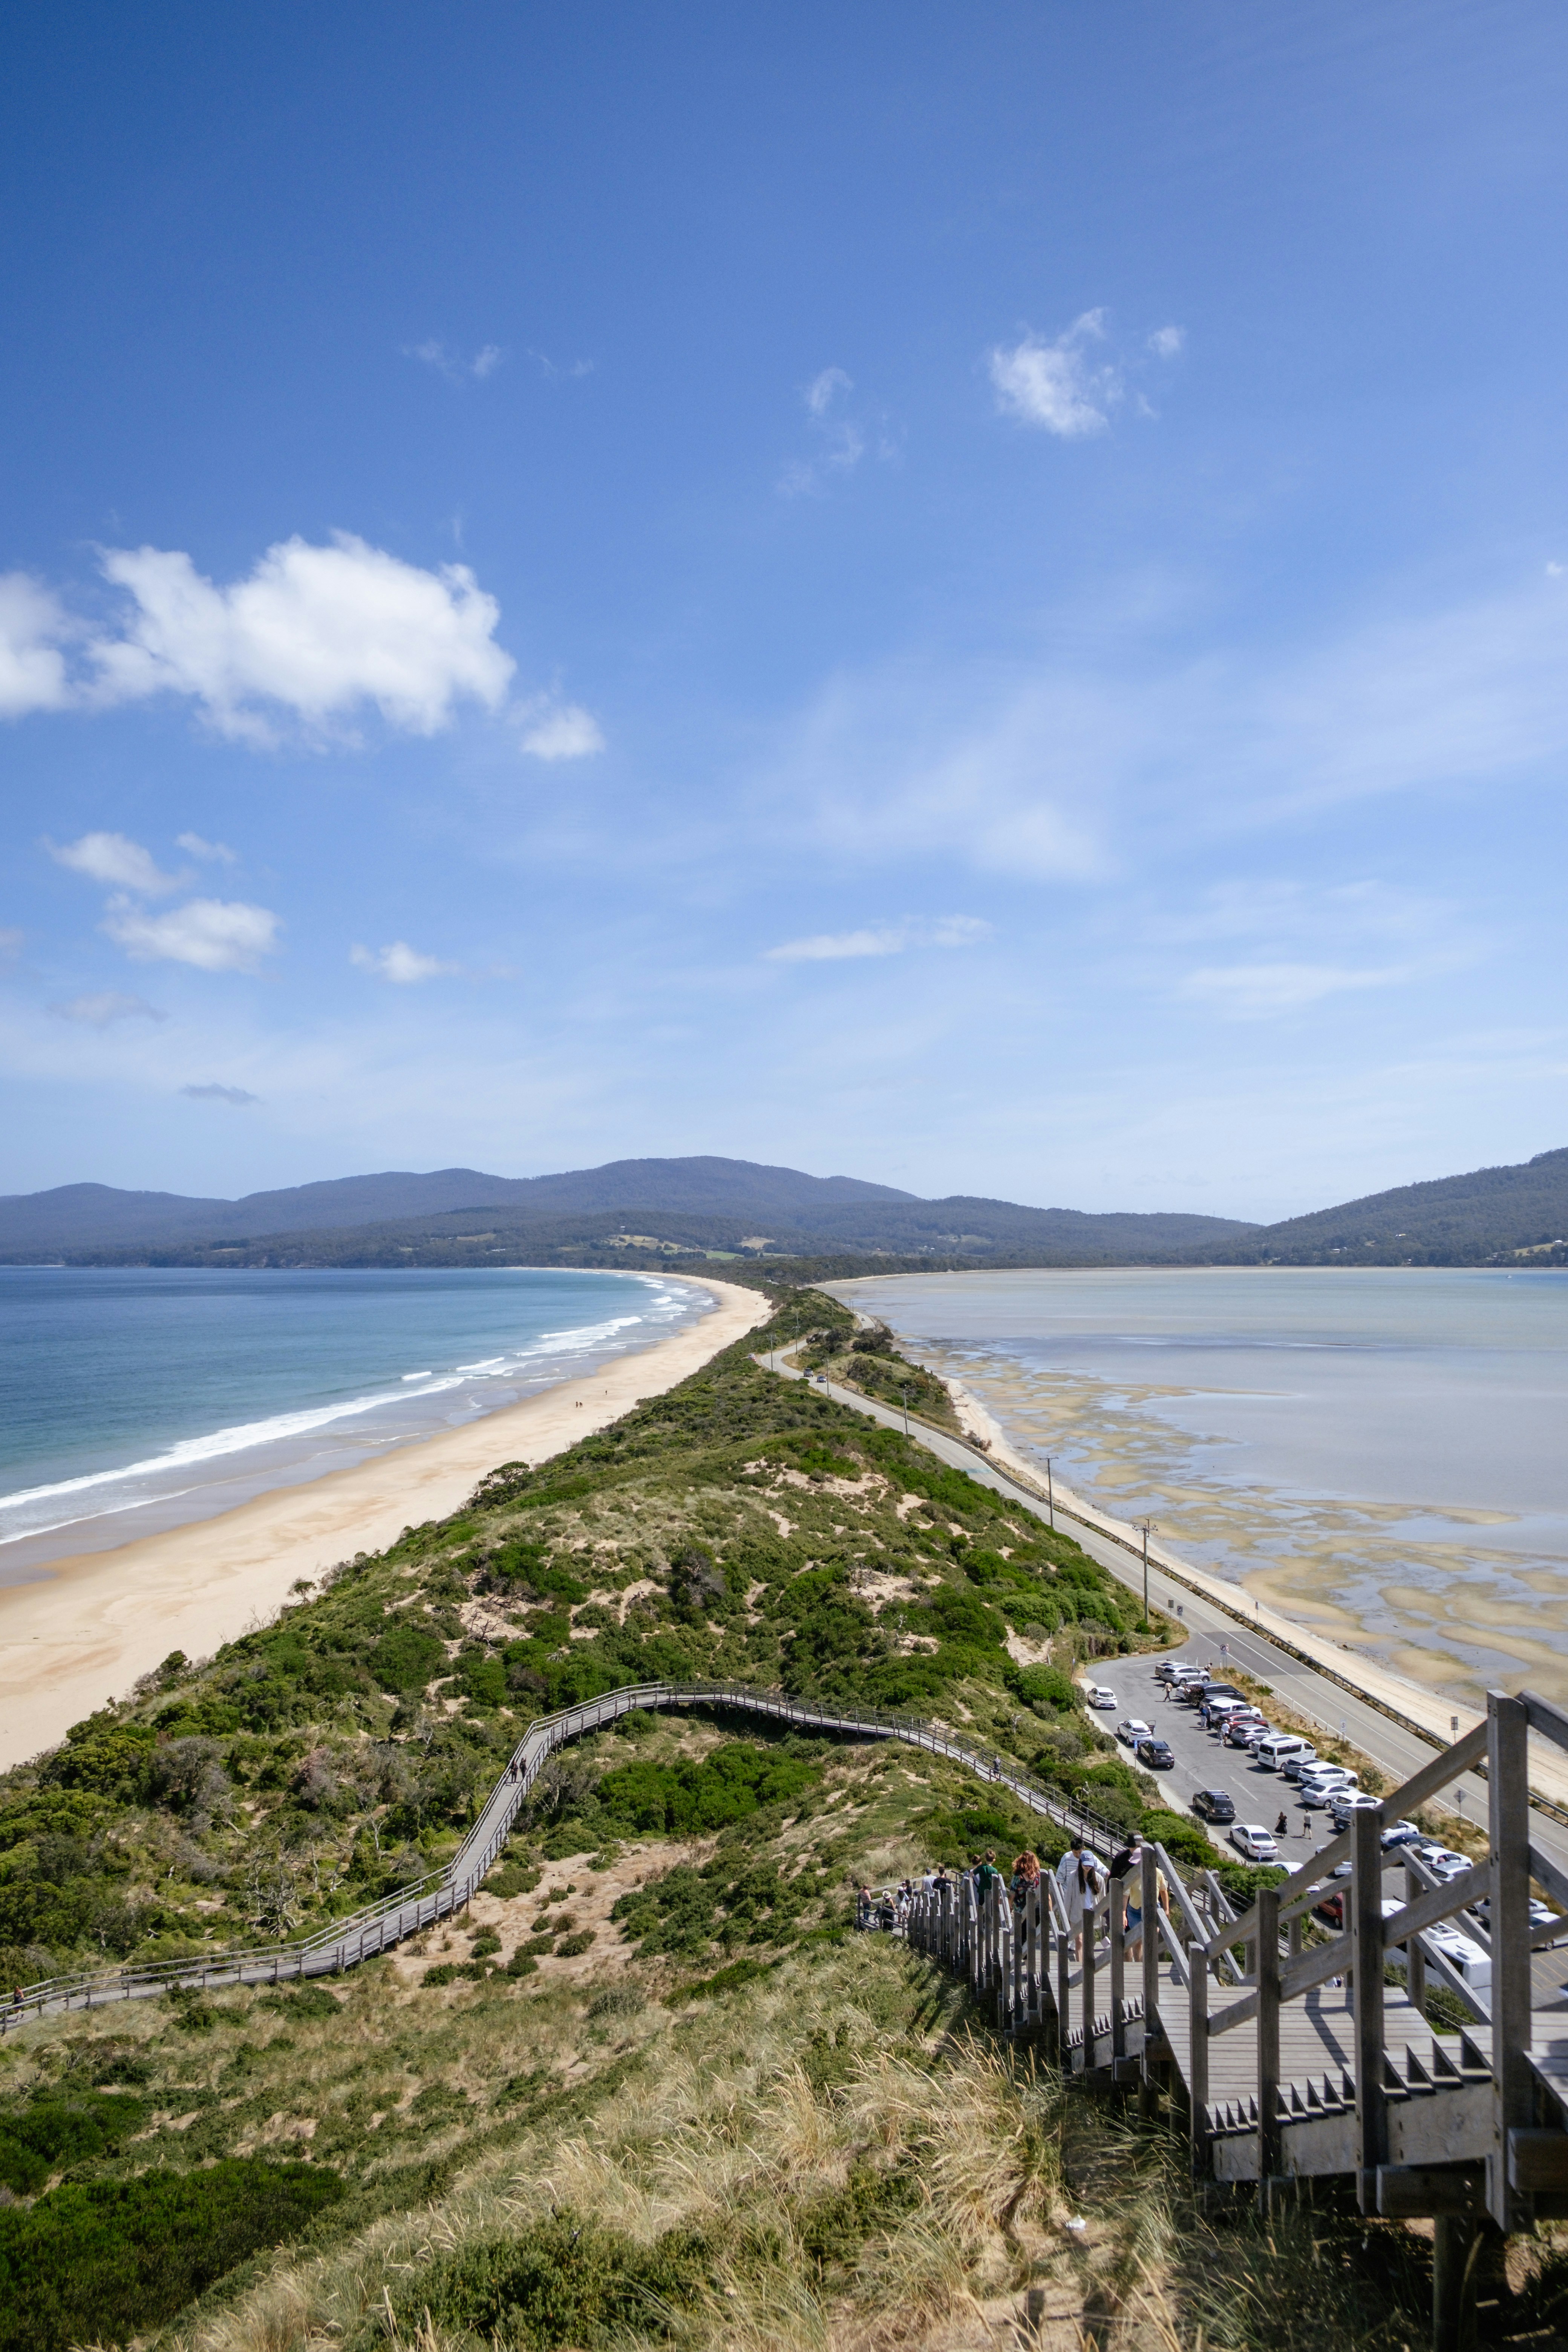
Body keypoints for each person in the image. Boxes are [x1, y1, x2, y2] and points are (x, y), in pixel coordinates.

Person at [1109, 1836, 1145, 1960]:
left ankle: (1140, 1967)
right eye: (1135, 1846)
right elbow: (1113, 1878)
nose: (1137, 1848)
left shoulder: (1148, 1856)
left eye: (1140, 1846)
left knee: (1139, 1939)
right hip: (1124, 1902)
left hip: (1140, 1903)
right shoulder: (1121, 1858)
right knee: (1125, 1937)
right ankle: (1129, 1965)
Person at [1010, 1849, 1041, 1914]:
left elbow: (1012, 1895)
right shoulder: (1038, 1875)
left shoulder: (1018, 1877)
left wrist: (1009, 1907)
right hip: (1036, 1911)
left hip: (1021, 1913)